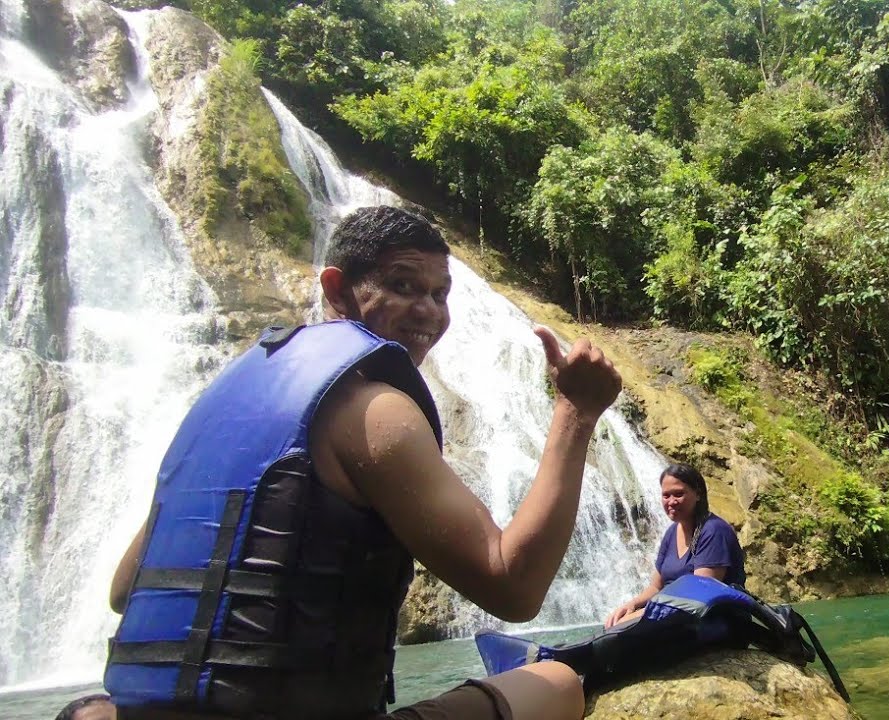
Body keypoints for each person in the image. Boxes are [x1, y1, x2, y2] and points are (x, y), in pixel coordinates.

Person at [65, 205, 622, 720]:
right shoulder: (373, 411)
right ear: (336, 287)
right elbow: (514, 589)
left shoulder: (223, 405)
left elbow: (123, 592)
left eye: (440, 294)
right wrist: (575, 414)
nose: (428, 311)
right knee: (558, 681)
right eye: (404, 286)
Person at [603, 463, 745, 629]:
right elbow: (656, 586)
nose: (671, 502)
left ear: (698, 494)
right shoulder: (672, 532)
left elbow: (700, 596)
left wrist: (642, 615)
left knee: (619, 636)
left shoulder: (713, 530)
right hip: (677, 618)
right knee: (612, 631)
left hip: (715, 622)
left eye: (678, 494)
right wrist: (632, 605)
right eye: (666, 495)